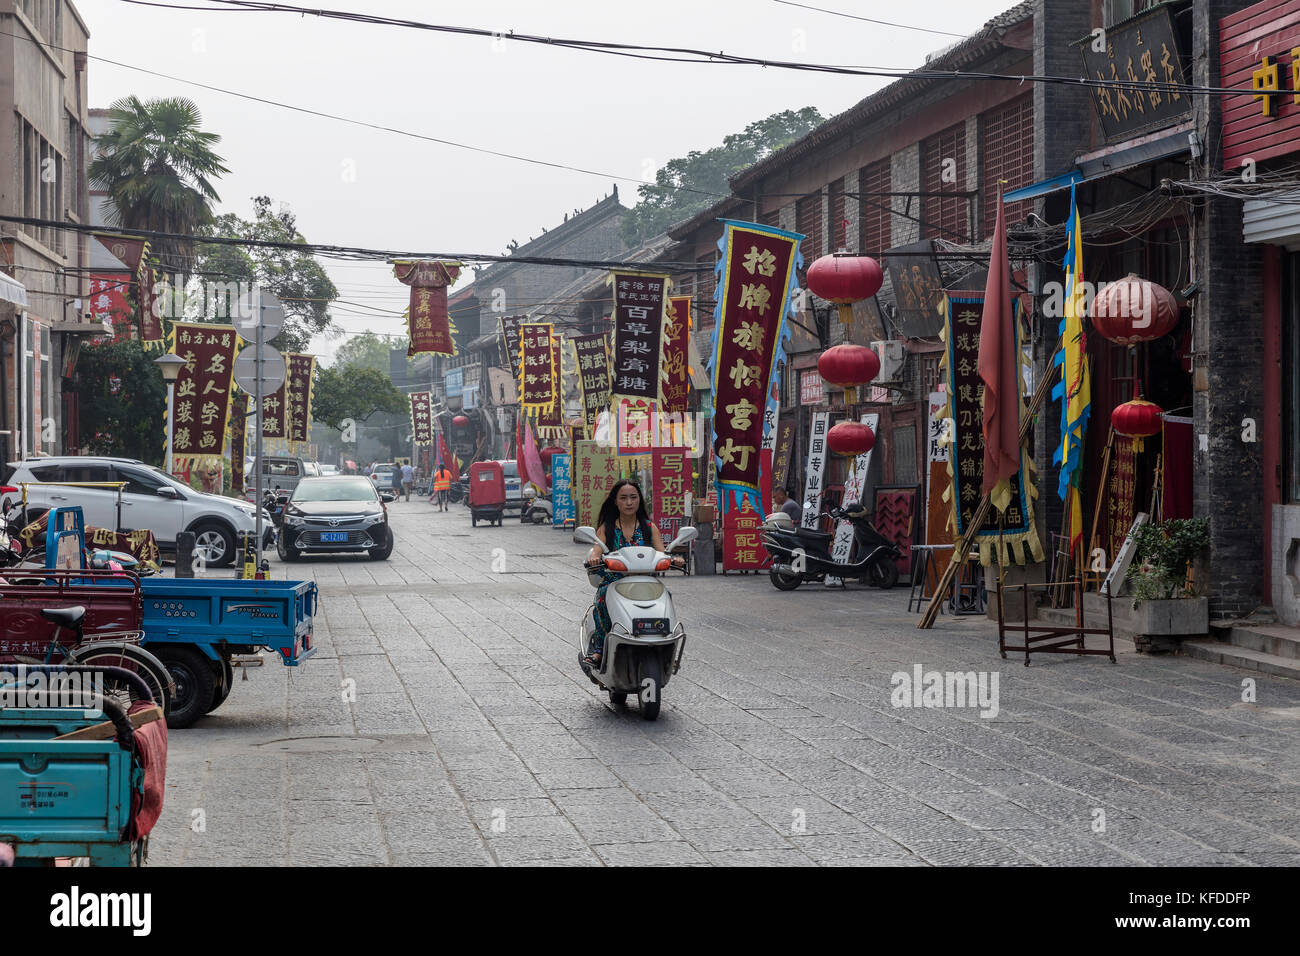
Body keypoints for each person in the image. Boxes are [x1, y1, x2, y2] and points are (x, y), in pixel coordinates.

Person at [582, 479, 684, 669]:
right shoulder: (607, 528)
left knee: (666, 598)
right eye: (624, 498)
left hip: (646, 582)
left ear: (639, 500)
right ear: (615, 501)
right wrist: (595, 558)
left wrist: (673, 559)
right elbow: (597, 550)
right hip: (614, 582)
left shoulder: (649, 527)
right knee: (602, 598)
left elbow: (662, 552)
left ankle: (667, 647)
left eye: (633, 497)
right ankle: (599, 648)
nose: (629, 502)